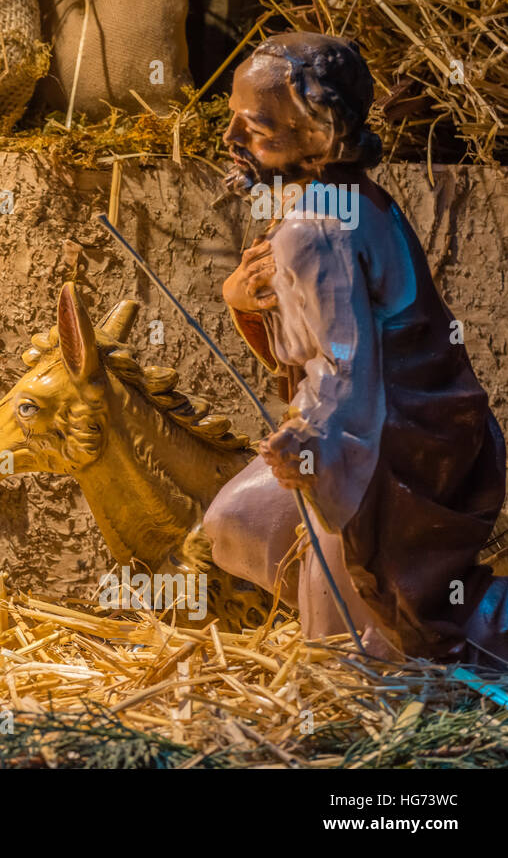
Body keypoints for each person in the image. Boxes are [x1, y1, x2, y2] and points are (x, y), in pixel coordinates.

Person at [204, 32, 507, 663]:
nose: (230, 138)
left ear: (317, 133)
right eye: (230, 115)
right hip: (405, 426)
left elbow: (349, 365)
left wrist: (310, 439)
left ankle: (378, 672)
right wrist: (243, 296)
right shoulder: (347, 200)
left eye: (255, 126)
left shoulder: (315, 226)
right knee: (243, 523)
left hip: (386, 442)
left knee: (375, 614)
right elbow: (311, 347)